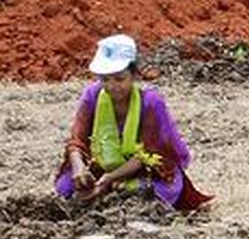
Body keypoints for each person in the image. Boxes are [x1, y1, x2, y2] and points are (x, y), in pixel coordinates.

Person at [55, 34, 211, 211]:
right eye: (105, 79)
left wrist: (109, 179)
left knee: (159, 192)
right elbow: (77, 140)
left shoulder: (151, 102)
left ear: (134, 75)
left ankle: (112, 193)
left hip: (143, 172)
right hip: (102, 167)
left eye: (120, 79)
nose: (112, 86)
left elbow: (149, 154)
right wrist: (79, 169)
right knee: (65, 188)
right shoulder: (92, 95)